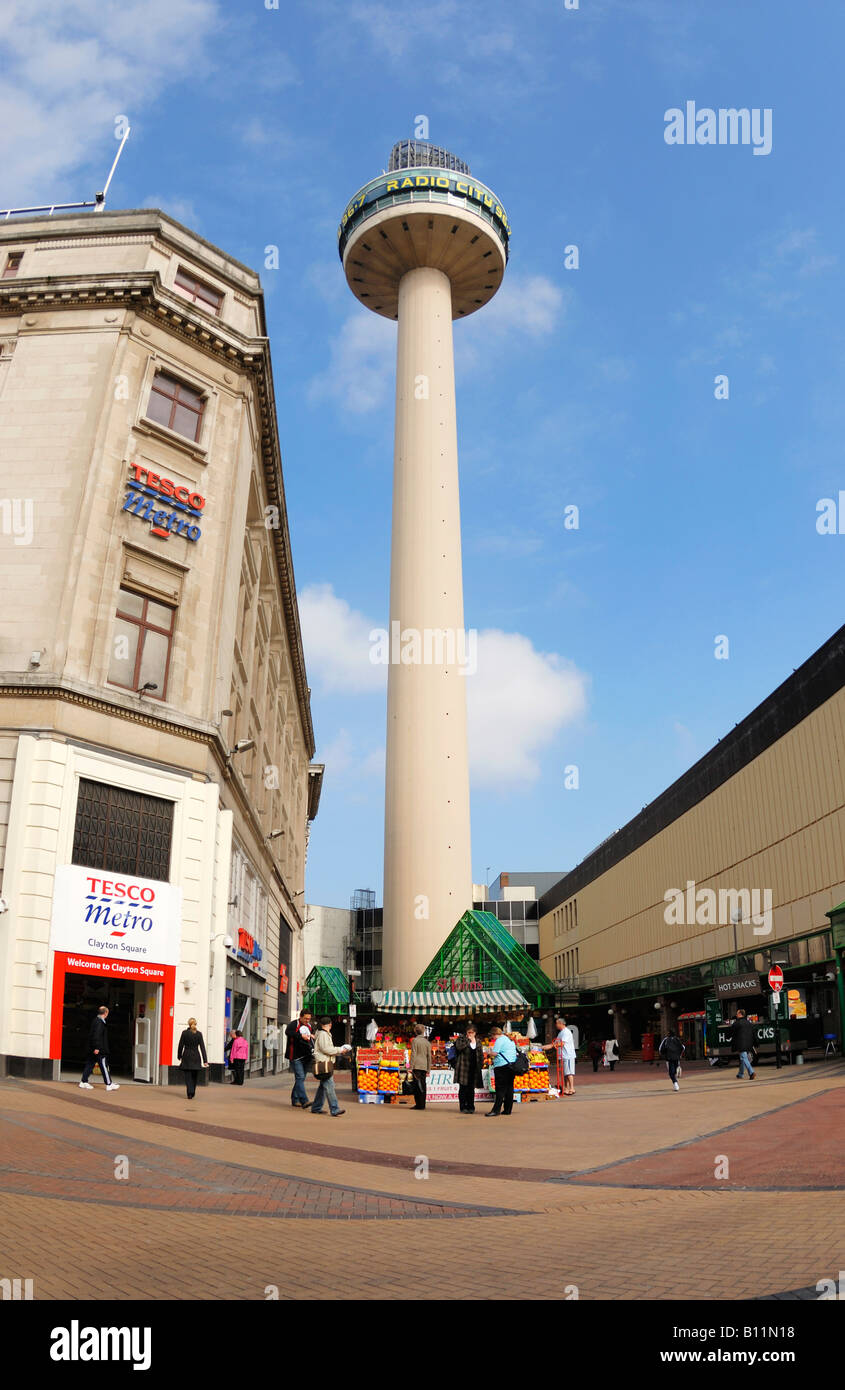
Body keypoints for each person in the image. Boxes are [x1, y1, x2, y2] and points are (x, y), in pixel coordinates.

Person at [311, 1017, 351, 1116]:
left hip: (324, 1062)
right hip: (324, 1063)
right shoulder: (323, 1034)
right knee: (330, 1087)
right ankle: (334, 1108)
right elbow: (326, 1049)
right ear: (330, 1024)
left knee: (323, 1087)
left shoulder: (322, 1033)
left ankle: (316, 1107)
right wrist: (340, 1050)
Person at [79, 1005, 119, 1092]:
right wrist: (97, 1047)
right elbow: (97, 1036)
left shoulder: (96, 1021)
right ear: (105, 1013)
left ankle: (83, 1081)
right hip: (99, 1049)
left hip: (93, 1048)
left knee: (90, 1064)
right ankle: (109, 1084)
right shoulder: (99, 1022)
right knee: (104, 1065)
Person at [285, 1009, 314, 1109]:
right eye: (305, 1018)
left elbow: (311, 1037)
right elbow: (288, 1032)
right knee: (300, 1078)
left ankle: (295, 1099)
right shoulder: (294, 1024)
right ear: (301, 1017)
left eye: (309, 1019)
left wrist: (312, 1036)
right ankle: (304, 1100)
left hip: (306, 1056)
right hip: (295, 1056)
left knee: (300, 1079)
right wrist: (301, 1035)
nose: (307, 1020)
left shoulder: (309, 1026)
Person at [452, 1021, 484, 1113]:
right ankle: (463, 1106)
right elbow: (459, 1047)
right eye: (469, 1032)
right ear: (466, 1032)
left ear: (475, 1033)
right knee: (463, 1088)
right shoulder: (461, 1039)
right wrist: (468, 1040)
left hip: (474, 1068)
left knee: (471, 1089)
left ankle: (471, 1106)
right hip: (463, 1067)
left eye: (472, 1032)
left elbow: (480, 1054)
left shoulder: (478, 1041)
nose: (470, 1034)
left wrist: (481, 1064)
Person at [486, 1025, 517, 1117]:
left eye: (492, 1036)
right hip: (511, 1066)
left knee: (500, 1089)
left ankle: (496, 1110)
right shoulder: (509, 1039)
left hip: (502, 1066)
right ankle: (507, 1109)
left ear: (495, 1034)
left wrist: (489, 1052)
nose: (492, 1038)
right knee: (509, 1088)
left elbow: (495, 1053)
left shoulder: (499, 1040)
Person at [177, 1016, 209, 1099]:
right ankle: (193, 1091)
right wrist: (205, 1060)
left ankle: (189, 1093)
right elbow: (202, 1047)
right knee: (195, 1076)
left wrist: (179, 1055)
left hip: (187, 1056)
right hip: (196, 1057)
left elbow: (180, 1045)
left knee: (188, 1076)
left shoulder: (184, 1033)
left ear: (189, 1024)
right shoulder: (199, 1034)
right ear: (195, 1024)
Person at [543, 1015, 576, 1095]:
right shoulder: (561, 1033)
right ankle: (566, 1088)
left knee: (569, 1072)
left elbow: (561, 1043)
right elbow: (554, 1043)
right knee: (565, 1073)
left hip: (568, 1055)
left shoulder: (566, 1032)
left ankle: (572, 1088)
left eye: (557, 1023)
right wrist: (542, 1047)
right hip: (563, 1055)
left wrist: (553, 1045)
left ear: (561, 1023)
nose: (556, 1025)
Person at [409, 1022, 432, 1110]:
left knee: (417, 1086)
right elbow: (429, 1056)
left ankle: (418, 1104)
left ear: (415, 1031)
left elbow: (414, 1054)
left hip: (417, 1065)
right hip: (424, 1066)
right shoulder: (427, 1042)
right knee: (423, 1085)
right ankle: (423, 1104)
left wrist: (411, 1067)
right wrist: (428, 1069)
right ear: (423, 1031)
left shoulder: (415, 1040)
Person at [730, 1008, 756, 1080]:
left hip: (741, 1044)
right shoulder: (748, 1023)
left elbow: (731, 1032)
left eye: (737, 1013)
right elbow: (753, 1033)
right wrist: (754, 1043)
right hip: (748, 1044)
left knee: (744, 1057)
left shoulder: (737, 1023)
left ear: (740, 1014)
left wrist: (727, 1036)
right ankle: (740, 1074)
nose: (736, 1014)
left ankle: (751, 1072)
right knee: (742, 1059)